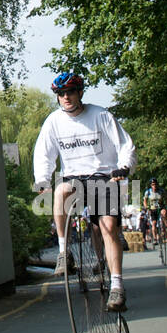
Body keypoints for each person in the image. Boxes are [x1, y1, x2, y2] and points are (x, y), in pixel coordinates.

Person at [33, 71, 136, 312]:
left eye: (70, 92)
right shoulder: (53, 122)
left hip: (103, 178)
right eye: (60, 94)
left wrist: (123, 168)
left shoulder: (101, 115)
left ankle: (117, 286)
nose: (65, 97)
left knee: (108, 227)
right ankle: (63, 252)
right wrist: (42, 181)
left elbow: (125, 145)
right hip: (75, 179)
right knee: (60, 192)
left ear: (80, 93)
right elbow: (43, 154)